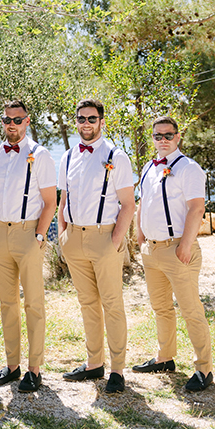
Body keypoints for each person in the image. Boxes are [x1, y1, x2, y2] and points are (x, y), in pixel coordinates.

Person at [58, 99, 135, 394]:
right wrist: (64, 235)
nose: (86, 124)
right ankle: (93, 364)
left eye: (91, 118)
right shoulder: (67, 157)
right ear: (76, 121)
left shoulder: (117, 156)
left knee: (112, 304)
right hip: (74, 239)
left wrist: (115, 241)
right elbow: (64, 198)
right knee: (87, 303)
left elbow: (128, 204)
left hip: (105, 238)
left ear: (102, 121)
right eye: (81, 118)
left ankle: (117, 370)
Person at [0, 101, 57, 392]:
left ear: (27, 121)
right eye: (7, 120)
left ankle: (34, 369)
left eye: (17, 120)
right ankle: (12, 366)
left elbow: (50, 202)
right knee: (7, 303)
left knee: (33, 303)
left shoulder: (41, 155)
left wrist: (38, 236)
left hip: (29, 235)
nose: (11, 125)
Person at [133, 117, 213, 392]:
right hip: (152, 251)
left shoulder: (189, 169)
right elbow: (143, 202)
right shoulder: (148, 168)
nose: (163, 140)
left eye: (168, 135)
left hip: (178, 250)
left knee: (191, 310)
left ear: (178, 138)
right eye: (157, 136)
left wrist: (186, 246)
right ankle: (164, 358)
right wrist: (140, 235)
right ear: (152, 139)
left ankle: (204, 368)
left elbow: (196, 209)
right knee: (161, 308)